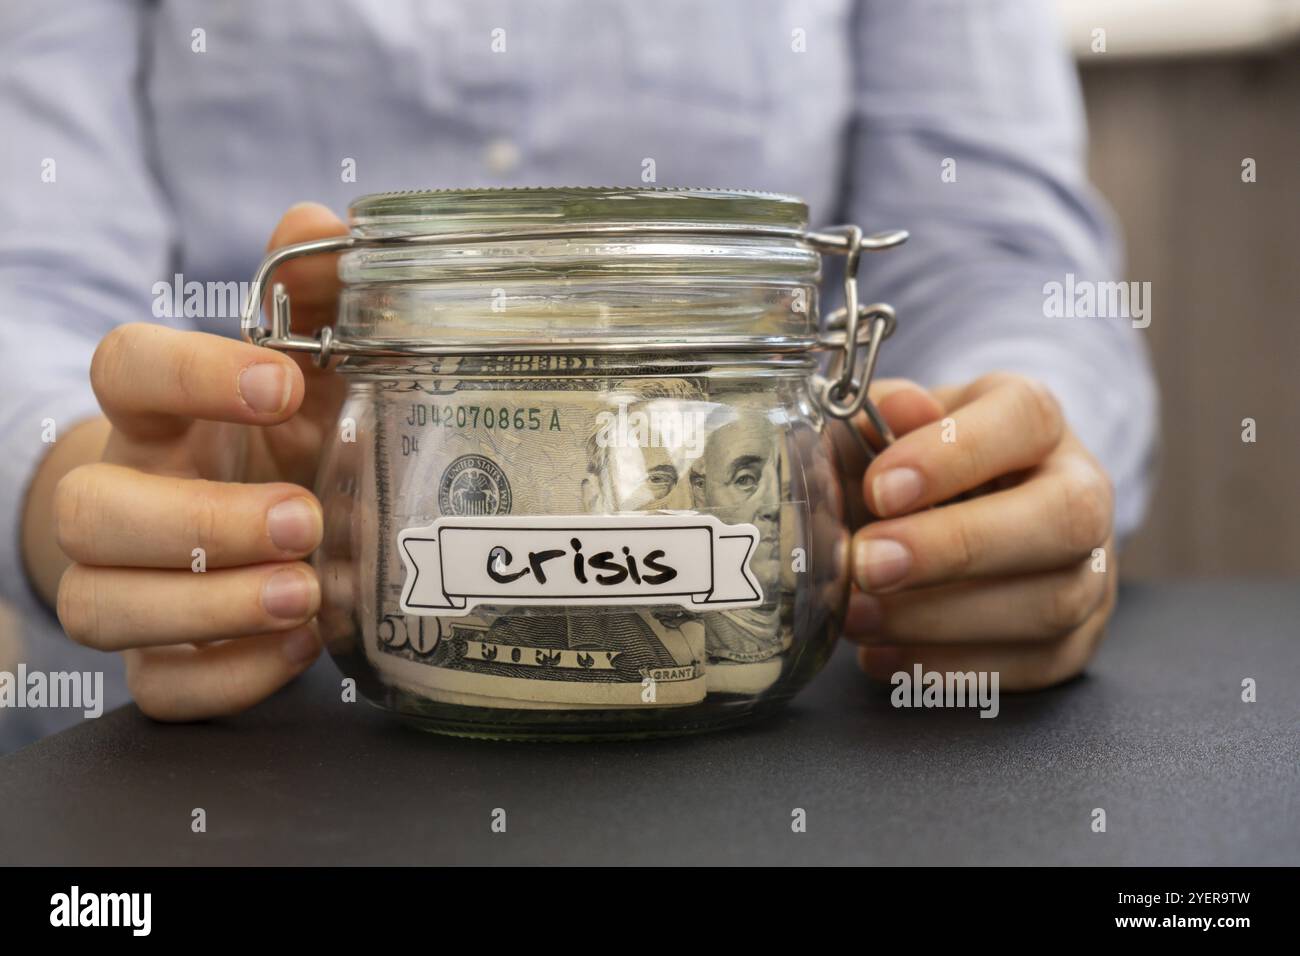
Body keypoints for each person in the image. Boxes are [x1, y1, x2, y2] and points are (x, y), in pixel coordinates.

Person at [0, 1, 1157, 748]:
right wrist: (93, 482)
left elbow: (997, 250)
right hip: (239, 685)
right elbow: (31, 271)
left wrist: (988, 461)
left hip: (829, 634)